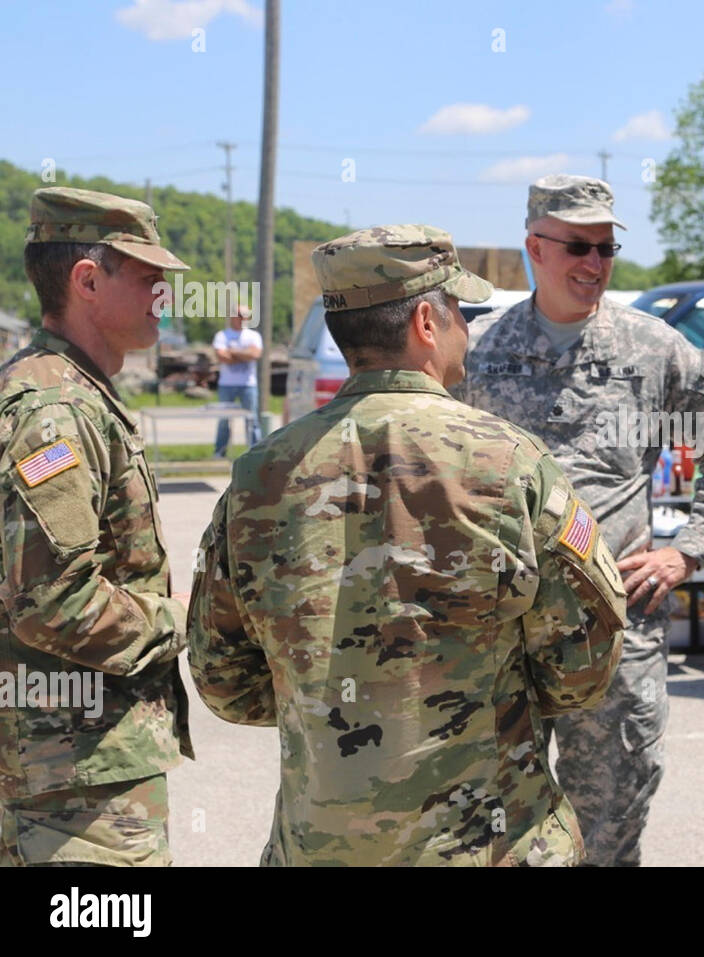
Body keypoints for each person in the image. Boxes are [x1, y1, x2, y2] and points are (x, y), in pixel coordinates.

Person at [186, 224, 627, 866]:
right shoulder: (510, 464)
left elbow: (224, 681)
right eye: (459, 313)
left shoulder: (259, 477)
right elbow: (584, 664)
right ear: (426, 320)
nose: (466, 330)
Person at [453, 175, 704, 866]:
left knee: (610, 826)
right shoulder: (479, 353)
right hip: (503, 640)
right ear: (534, 246)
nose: (594, 264)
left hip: (610, 634)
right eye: (578, 247)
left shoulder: (655, 351)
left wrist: (684, 553)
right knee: (500, 834)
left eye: (606, 248)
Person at [0, 187, 193, 866]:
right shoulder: (55, 407)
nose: (162, 296)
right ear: (87, 280)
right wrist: (177, 620)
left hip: (75, 773)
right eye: (146, 278)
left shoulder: (71, 392)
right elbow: (52, 602)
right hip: (72, 790)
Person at [211, 303, 263, 457]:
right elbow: (222, 357)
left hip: (248, 385)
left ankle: (255, 452)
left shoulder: (254, 336)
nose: (243, 319)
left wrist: (233, 351)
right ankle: (220, 452)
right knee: (223, 421)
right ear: (233, 316)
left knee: (252, 420)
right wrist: (243, 355)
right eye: (240, 315)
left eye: (246, 316)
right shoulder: (222, 335)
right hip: (227, 384)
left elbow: (255, 355)